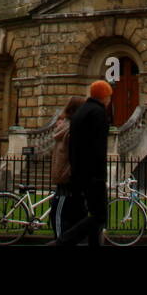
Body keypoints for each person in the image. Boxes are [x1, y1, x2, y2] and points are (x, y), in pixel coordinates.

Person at [55, 81, 113, 246]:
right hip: (93, 176)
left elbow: (74, 147)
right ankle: (63, 241)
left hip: (79, 174)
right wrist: (100, 176)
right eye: (108, 96)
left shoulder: (80, 113)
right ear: (104, 96)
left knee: (90, 215)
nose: (109, 100)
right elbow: (98, 148)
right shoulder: (98, 112)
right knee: (99, 216)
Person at [50, 96, 86, 239]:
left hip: (73, 189)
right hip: (68, 187)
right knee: (62, 233)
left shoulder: (69, 129)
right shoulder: (72, 131)